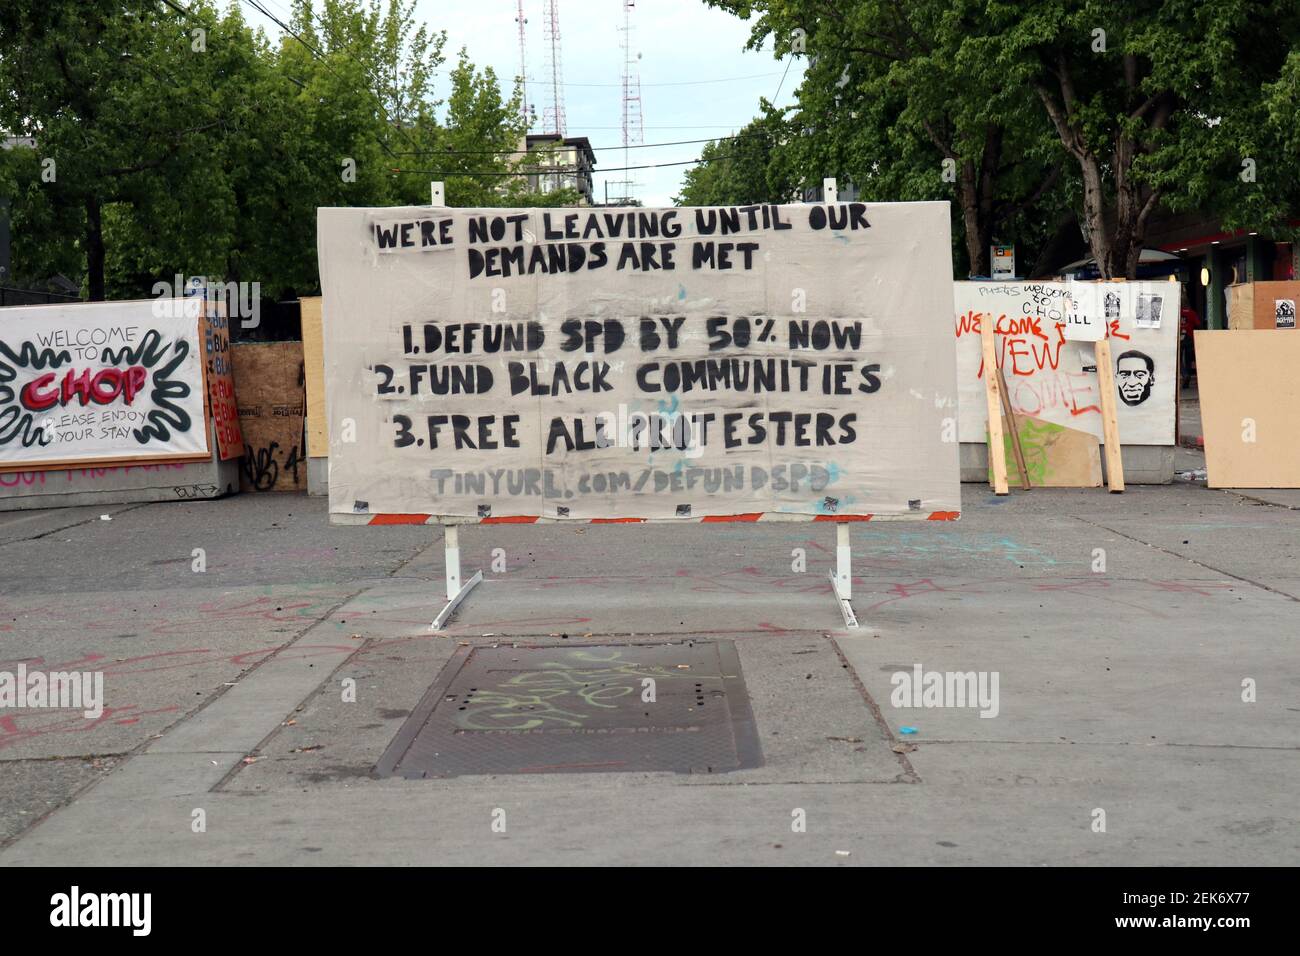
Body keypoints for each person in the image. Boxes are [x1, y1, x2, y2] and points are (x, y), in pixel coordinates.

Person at [1179, 304, 1201, 388]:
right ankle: (1187, 377)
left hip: (1179, 338)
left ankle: (1185, 375)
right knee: (1188, 359)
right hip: (1189, 338)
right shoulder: (1192, 313)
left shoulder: (1178, 312)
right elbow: (1198, 324)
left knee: (1179, 359)